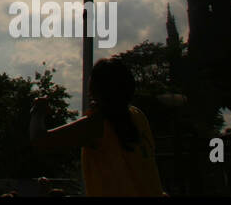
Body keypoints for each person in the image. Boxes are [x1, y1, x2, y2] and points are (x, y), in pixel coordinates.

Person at [29, 58, 164, 196]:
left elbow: (41, 141)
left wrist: (37, 112)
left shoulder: (98, 125)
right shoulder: (138, 117)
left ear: (94, 88)